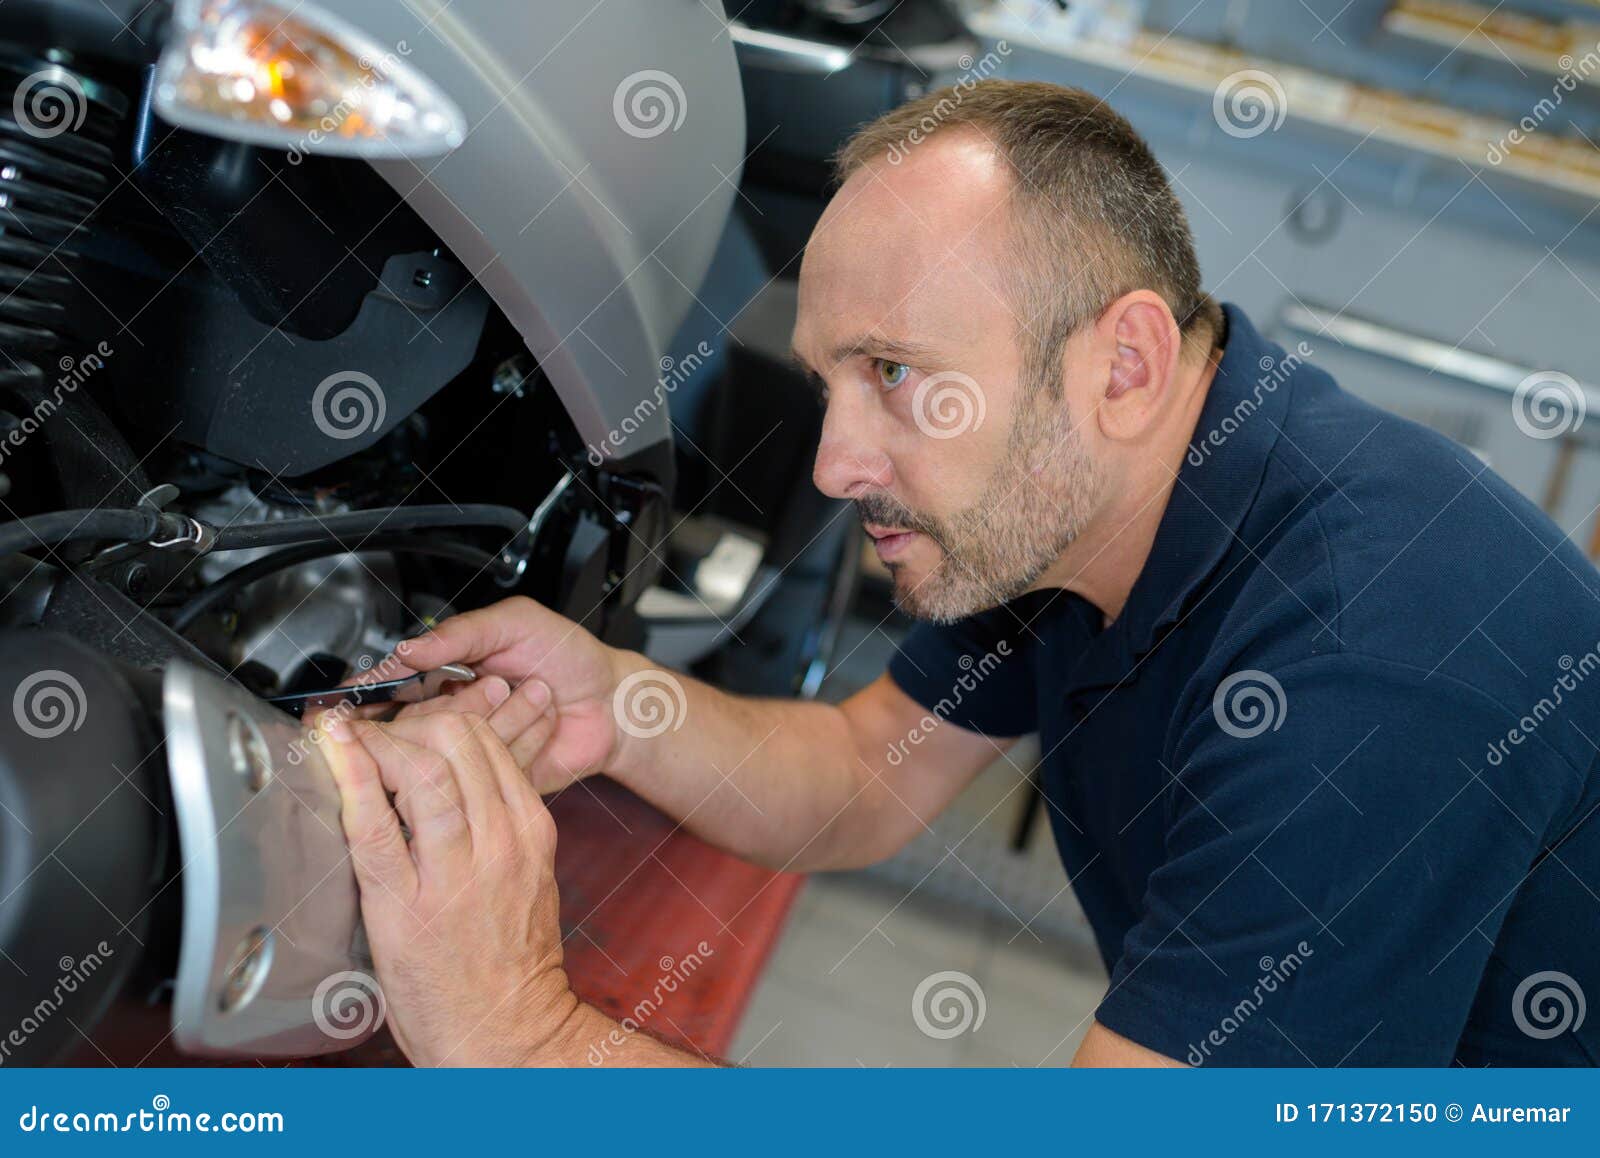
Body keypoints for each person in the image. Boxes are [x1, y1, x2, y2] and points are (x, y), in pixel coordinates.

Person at [321, 80, 1600, 1067]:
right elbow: (857, 780)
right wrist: (618, 706)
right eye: (830, 382)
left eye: (892, 372)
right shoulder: (1095, 498)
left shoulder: (1370, 663)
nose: (830, 464)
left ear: (1126, 364)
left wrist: (517, 1033)